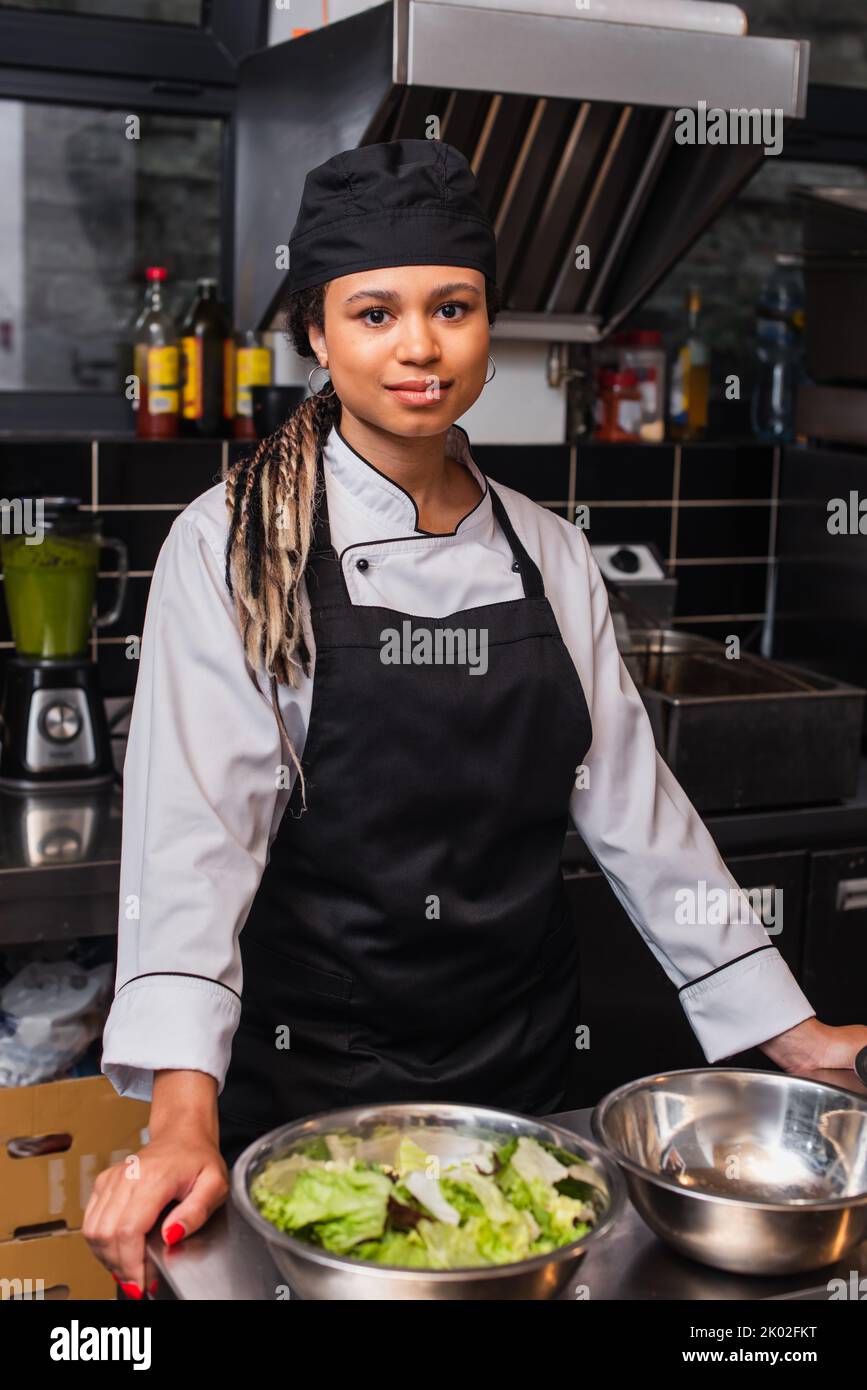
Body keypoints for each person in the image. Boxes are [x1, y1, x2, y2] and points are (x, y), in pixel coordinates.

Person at [84, 139, 867, 1299]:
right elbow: (196, 843)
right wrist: (181, 1118)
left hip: (519, 1072)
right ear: (317, 335)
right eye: (374, 312)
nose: (418, 346)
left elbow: (636, 810)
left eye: (452, 306)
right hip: (315, 1085)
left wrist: (792, 1030)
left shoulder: (548, 550)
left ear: (489, 323)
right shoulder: (235, 542)